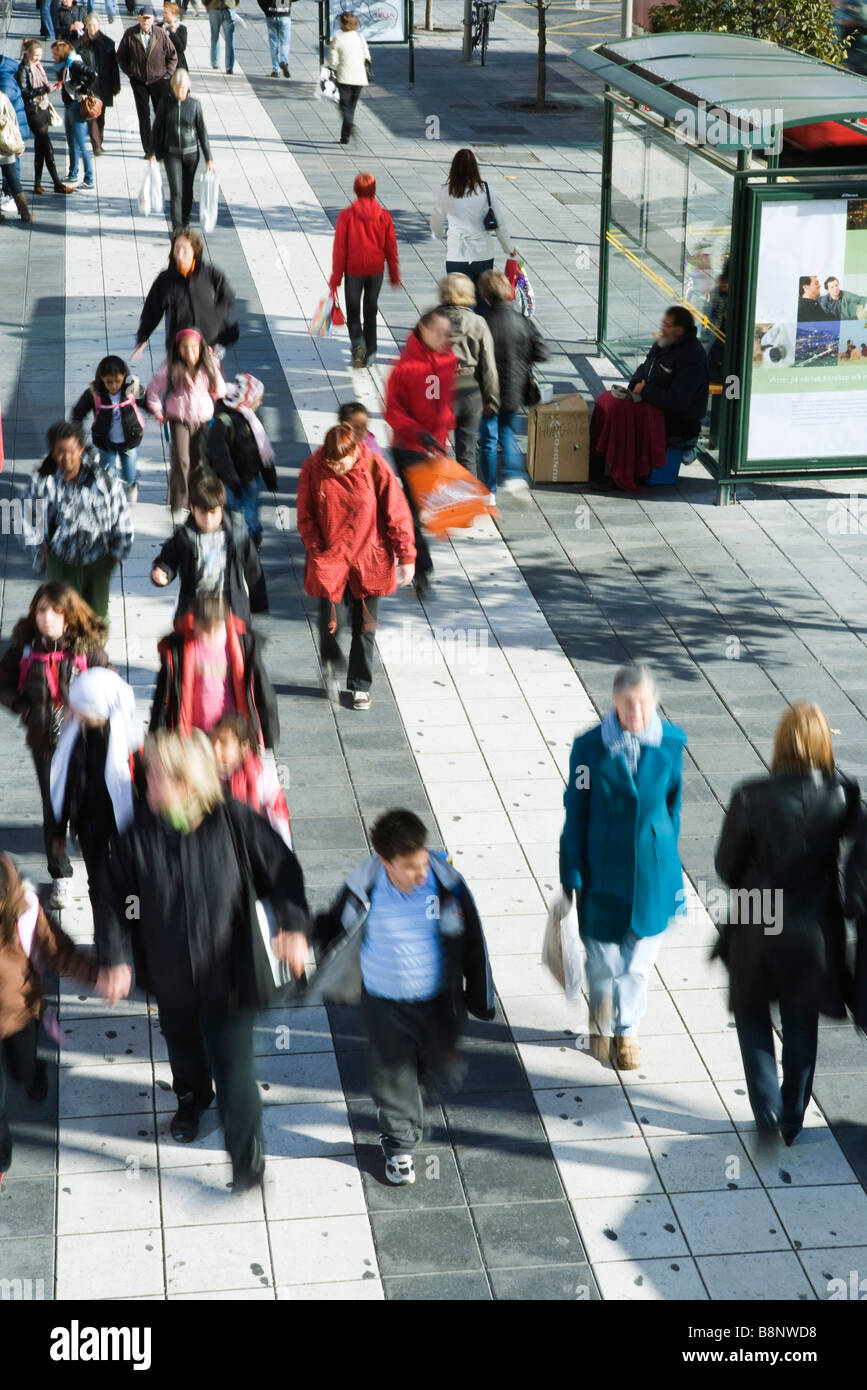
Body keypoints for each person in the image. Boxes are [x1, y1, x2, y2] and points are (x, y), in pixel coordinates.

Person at [95, 730, 310, 1191]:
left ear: (186, 782)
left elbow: (283, 871)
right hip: (172, 975)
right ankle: (191, 1099)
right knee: (184, 1048)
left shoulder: (234, 822)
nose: (145, 786)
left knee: (236, 1071)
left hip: (230, 978)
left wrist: (293, 927)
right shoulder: (138, 837)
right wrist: (114, 957)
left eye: (154, 778)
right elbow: (113, 898)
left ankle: (248, 1160)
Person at [310, 808, 494, 1186]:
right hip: (384, 1004)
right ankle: (399, 1146)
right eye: (409, 866)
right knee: (392, 1076)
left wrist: (479, 995)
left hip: (437, 1004)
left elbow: (473, 941)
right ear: (386, 861)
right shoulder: (364, 888)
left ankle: (414, 1092)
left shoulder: (448, 888)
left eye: (423, 862)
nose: (420, 873)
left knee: (428, 1068)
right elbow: (332, 927)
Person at [715, 704, 860, 1146]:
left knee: (753, 1011)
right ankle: (793, 1115)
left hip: (760, 912)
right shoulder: (842, 795)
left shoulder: (750, 795)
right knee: (801, 1019)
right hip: (814, 924)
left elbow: (725, 866)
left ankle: (767, 1110)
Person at [559, 664, 687, 1070]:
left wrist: (665, 851)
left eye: (644, 702)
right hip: (602, 874)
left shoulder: (670, 746)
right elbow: (576, 810)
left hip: (652, 876)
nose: (637, 711)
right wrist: (571, 872)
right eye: (628, 702)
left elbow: (673, 805)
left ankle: (626, 1032)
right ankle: (602, 1014)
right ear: (614, 702)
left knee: (636, 963)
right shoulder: (587, 750)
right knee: (603, 963)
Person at [0, 584, 110, 909]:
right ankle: (60, 874)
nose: (47, 618)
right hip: (44, 743)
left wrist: (95, 711)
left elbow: (111, 682)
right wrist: (23, 707)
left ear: (69, 616)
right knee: (54, 808)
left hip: (86, 744)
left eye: (55, 611)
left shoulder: (86, 649)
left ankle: (99, 873)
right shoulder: (24, 648)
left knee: (90, 808)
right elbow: (2, 682)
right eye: (41, 610)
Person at [297, 423, 415, 710]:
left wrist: (407, 556)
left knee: (365, 626)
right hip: (330, 559)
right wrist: (315, 549)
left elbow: (397, 513)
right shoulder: (314, 468)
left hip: (369, 558)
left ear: (355, 452)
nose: (336, 467)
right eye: (331, 461)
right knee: (330, 623)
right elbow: (305, 514)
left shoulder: (375, 467)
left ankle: (360, 685)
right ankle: (329, 662)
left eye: (342, 461)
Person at [0, 853, 102, 1181]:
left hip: (19, 1014)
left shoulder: (25, 909)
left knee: (22, 1070)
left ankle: (34, 1073)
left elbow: (57, 949)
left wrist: (97, 975)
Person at [50, 667, 144, 907]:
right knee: (97, 881)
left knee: (129, 882)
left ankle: (131, 927)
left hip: (124, 826)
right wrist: (60, 830)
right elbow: (65, 785)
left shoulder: (128, 743)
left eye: (82, 707)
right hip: (89, 825)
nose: (75, 712)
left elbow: (142, 786)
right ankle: (102, 931)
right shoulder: (74, 738)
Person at [24, 421, 134, 622]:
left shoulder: (103, 480)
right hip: (60, 561)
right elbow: (27, 519)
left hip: (98, 560)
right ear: (52, 453)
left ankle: (93, 653)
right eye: (60, 452)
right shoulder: (41, 482)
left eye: (72, 451)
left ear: (81, 449)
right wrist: (39, 551)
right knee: (61, 617)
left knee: (96, 617)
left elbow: (122, 518)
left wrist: (117, 555)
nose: (67, 458)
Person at [383, 308, 457, 596]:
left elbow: (443, 399)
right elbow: (392, 411)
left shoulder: (448, 359)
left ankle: (413, 555)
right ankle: (421, 568)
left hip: (436, 447)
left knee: (427, 508)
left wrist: (447, 425)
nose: (444, 338)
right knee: (413, 512)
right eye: (438, 333)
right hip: (409, 448)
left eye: (447, 334)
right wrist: (418, 432)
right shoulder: (403, 368)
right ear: (423, 330)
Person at [151, 591, 279, 745]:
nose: (210, 635)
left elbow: (262, 690)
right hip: (194, 732)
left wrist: (268, 733)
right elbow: (162, 695)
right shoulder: (177, 650)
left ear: (226, 622)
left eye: (216, 630)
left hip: (231, 731)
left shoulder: (244, 646)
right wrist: (155, 735)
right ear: (193, 622)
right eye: (204, 630)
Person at [151, 469, 268, 621]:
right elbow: (168, 558)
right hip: (196, 609)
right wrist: (163, 571)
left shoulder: (238, 535)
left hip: (230, 608)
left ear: (221, 508)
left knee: (235, 644)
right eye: (202, 512)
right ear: (192, 509)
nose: (208, 519)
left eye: (213, 512)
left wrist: (258, 602)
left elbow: (253, 569)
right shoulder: (185, 537)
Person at [476, 268, 547, 499]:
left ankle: (488, 490)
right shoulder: (521, 321)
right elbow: (542, 352)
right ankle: (514, 475)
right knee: (507, 431)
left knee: (488, 439)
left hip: (489, 392)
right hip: (515, 390)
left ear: (486, 295)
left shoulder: (483, 323)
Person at [145, 327, 226, 511]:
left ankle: (196, 500)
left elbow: (220, 390)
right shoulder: (170, 367)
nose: (189, 352)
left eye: (193, 347)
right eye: (184, 348)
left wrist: (214, 368)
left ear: (201, 348)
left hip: (203, 419)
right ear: (177, 349)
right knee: (182, 461)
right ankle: (178, 501)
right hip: (178, 418)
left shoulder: (208, 366)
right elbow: (153, 390)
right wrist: (159, 412)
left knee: (198, 462)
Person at [430, 148, 518, 315]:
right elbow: (499, 223)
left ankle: (464, 333)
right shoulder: (486, 190)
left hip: (457, 254)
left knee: (459, 302)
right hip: (483, 254)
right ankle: (482, 334)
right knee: (485, 301)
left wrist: (440, 235)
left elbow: (436, 222)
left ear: (453, 168)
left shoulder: (446, 192)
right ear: (475, 168)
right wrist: (508, 247)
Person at [329, 172, 400, 369]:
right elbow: (391, 248)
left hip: (353, 271)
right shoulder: (384, 216)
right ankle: (372, 351)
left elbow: (340, 250)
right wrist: (394, 274)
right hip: (375, 270)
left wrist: (335, 278)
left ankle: (358, 344)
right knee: (370, 311)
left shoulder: (346, 216)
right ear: (374, 190)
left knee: (353, 312)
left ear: (356, 190)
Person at [198, 373, 277, 549]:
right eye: (258, 399)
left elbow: (263, 450)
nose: (260, 403)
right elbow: (220, 456)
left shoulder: (253, 420)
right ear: (246, 400)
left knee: (251, 513)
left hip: (251, 477)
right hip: (230, 481)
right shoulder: (223, 423)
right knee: (233, 512)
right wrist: (233, 482)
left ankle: (253, 538)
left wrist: (269, 476)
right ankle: (235, 539)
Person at [133, 228, 237, 360]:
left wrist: (215, 318)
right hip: (179, 345)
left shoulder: (210, 274)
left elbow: (228, 298)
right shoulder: (165, 279)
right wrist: (143, 337)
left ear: (195, 251)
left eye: (185, 250)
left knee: (207, 379)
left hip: (208, 343)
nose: (180, 255)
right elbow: (152, 310)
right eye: (177, 249)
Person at [437, 272, 499, 477]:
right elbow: (488, 364)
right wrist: (491, 399)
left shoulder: (432, 321)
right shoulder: (478, 322)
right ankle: (468, 503)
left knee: (435, 450)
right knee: (467, 453)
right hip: (470, 392)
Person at [628, 306, 710, 445]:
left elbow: (677, 400)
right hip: (654, 410)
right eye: (663, 324)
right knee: (612, 407)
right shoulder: (665, 342)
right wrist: (635, 384)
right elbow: (645, 366)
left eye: (667, 325)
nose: (662, 329)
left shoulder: (692, 358)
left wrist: (645, 391)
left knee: (624, 426)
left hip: (676, 426)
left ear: (680, 330)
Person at [71, 353, 146, 501]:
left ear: (124, 376)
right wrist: (76, 428)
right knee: (106, 472)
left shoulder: (131, 389)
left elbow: (146, 401)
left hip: (129, 441)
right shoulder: (95, 394)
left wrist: (159, 411)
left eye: (117, 381)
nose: (113, 386)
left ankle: (132, 485)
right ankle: (107, 496)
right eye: (109, 382)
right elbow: (78, 412)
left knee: (129, 473)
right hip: (106, 442)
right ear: (102, 379)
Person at [148, 68, 214, 233]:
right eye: (177, 89)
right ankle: (177, 227)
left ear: (187, 88)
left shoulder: (194, 105)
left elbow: (202, 132)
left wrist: (209, 158)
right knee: (176, 191)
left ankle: (185, 221)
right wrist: (152, 152)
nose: (180, 92)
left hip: (191, 153)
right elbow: (156, 129)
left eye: (183, 89)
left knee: (188, 190)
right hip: (172, 153)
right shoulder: (166, 103)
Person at [210, 714, 291, 846]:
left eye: (223, 742)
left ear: (244, 747)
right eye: (212, 740)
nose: (215, 747)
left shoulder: (264, 778)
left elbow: (280, 821)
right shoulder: (209, 777)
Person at [116, 4, 178, 156]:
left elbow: (173, 55)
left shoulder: (160, 34)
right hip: (139, 81)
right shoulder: (130, 34)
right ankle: (149, 150)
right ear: (138, 19)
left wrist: (168, 74)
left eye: (148, 18)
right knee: (143, 116)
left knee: (161, 114)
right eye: (143, 18)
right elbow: (120, 56)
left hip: (159, 80)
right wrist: (130, 72)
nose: (145, 21)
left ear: (153, 19)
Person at [15, 39, 73, 196]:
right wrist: (44, 90)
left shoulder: (37, 66)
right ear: (28, 54)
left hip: (43, 108)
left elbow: (40, 87)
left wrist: (48, 88)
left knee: (40, 147)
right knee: (48, 147)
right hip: (33, 112)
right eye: (35, 56)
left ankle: (38, 184)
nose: (38, 59)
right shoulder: (23, 69)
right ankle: (57, 183)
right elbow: (25, 92)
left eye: (40, 56)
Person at [51, 36, 97, 190]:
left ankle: (89, 178)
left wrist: (84, 90)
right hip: (69, 105)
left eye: (55, 54)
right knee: (71, 142)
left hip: (76, 106)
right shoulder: (67, 64)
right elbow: (70, 79)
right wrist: (61, 83)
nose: (53, 57)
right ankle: (72, 173)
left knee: (81, 144)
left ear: (63, 54)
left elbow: (93, 74)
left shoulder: (74, 63)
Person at [79, 12, 120, 156]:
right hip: (89, 86)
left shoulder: (108, 43)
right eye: (89, 25)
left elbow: (114, 66)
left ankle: (99, 142)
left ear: (99, 26)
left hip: (104, 84)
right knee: (91, 115)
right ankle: (96, 145)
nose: (92, 28)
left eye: (94, 25)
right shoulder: (81, 44)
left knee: (101, 116)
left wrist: (116, 84)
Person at [327, 11, 371, 145]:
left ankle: (350, 125)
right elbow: (367, 56)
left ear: (342, 23)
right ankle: (345, 137)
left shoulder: (337, 37)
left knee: (344, 106)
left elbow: (333, 61)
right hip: (360, 78)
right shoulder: (359, 36)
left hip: (344, 77)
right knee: (351, 107)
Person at [0, 92, 31, 224]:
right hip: (6, 143)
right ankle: (24, 212)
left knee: (12, 179)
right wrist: (20, 145)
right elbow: (14, 121)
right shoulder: (3, 97)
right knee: (13, 179)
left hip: (4, 143)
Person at [257, 0, 291, 78]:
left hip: (271, 13)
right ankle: (284, 61)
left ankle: (276, 69)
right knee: (285, 41)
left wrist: (265, 9)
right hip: (284, 12)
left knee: (273, 42)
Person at [204, 0, 237, 74]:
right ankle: (229, 67)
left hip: (214, 6)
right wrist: (234, 4)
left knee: (214, 36)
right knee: (230, 40)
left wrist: (206, 4)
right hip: (229, 7)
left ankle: (215, 62)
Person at [159, 1, 188, 69]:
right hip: (162, 65)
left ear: (173, 14)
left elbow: (181, 48)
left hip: (177, 65)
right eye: (164, 12)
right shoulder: (159, 27)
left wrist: (173, 33)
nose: (164, 15)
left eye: (166, 13)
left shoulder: (182, 29)